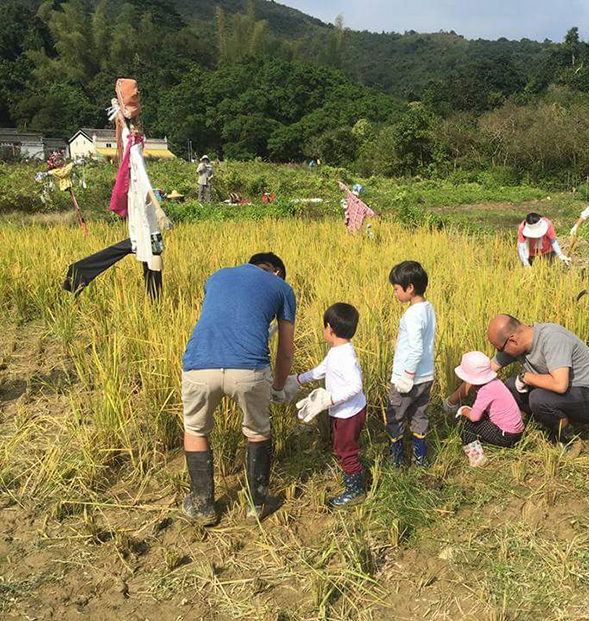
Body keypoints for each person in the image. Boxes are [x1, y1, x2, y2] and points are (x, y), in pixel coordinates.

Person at [180, 252, 297, 524]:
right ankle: (257, 504)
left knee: (195, 429)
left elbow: (221, 318)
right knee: (257, 431)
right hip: (249, 369)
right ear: (277, 272)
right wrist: (278, 387)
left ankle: (202, 506)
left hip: (199, 365)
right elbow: (286, 352)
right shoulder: (282, 287)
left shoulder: (217, 277)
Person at [62, 78, 171, 299]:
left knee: (141, 244)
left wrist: (118, 109)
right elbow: (142, 173)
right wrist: (159, 209)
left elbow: (118, 108)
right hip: (142, 197)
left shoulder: (127, 128)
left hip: (137, 194)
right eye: (135, 90)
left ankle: (79, 272)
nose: (139, 91)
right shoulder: (132, 140)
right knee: (153, 246)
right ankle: (156, 302)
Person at [462, 315, 589, 442]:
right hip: (568, 396)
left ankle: (567, 437)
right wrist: (453, 401)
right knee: (509, 386)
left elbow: (560, 385)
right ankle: (549, 420)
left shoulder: (553, 338)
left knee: (538, 398)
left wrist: (526, 377)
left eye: (500, 348)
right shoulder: (515, 345)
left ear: (512, 341)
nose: (499, 352)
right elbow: (482, 373)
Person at [289, 303, 367, 507]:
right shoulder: (337, 350)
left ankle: (355, 491)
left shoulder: (346, 356)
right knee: (341, 445)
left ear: (330, 328)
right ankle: (348, 471)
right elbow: (323, 369)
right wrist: (298, 379)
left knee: (345, 450)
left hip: (349, 413)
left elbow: (356, 386)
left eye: (324, 327)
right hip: (342, 412)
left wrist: (329, 399)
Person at [386, 261, 436, 468]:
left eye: (397, 289)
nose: (395, 293)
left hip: (409, 379)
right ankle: (420, 460)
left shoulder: (412, 315)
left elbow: (415, 349)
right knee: (418, 415)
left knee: (395, 417)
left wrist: (406, 376)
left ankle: (396, 463)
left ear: (410, 288)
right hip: (426, 376)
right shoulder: (427, 308)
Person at [448, 351, 524, 467]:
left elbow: (474, 417)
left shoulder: (485, 390)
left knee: (464, 421)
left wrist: (463, 410)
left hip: (505, 437)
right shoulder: (495, 382)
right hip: (517, 433)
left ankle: (476, 457)